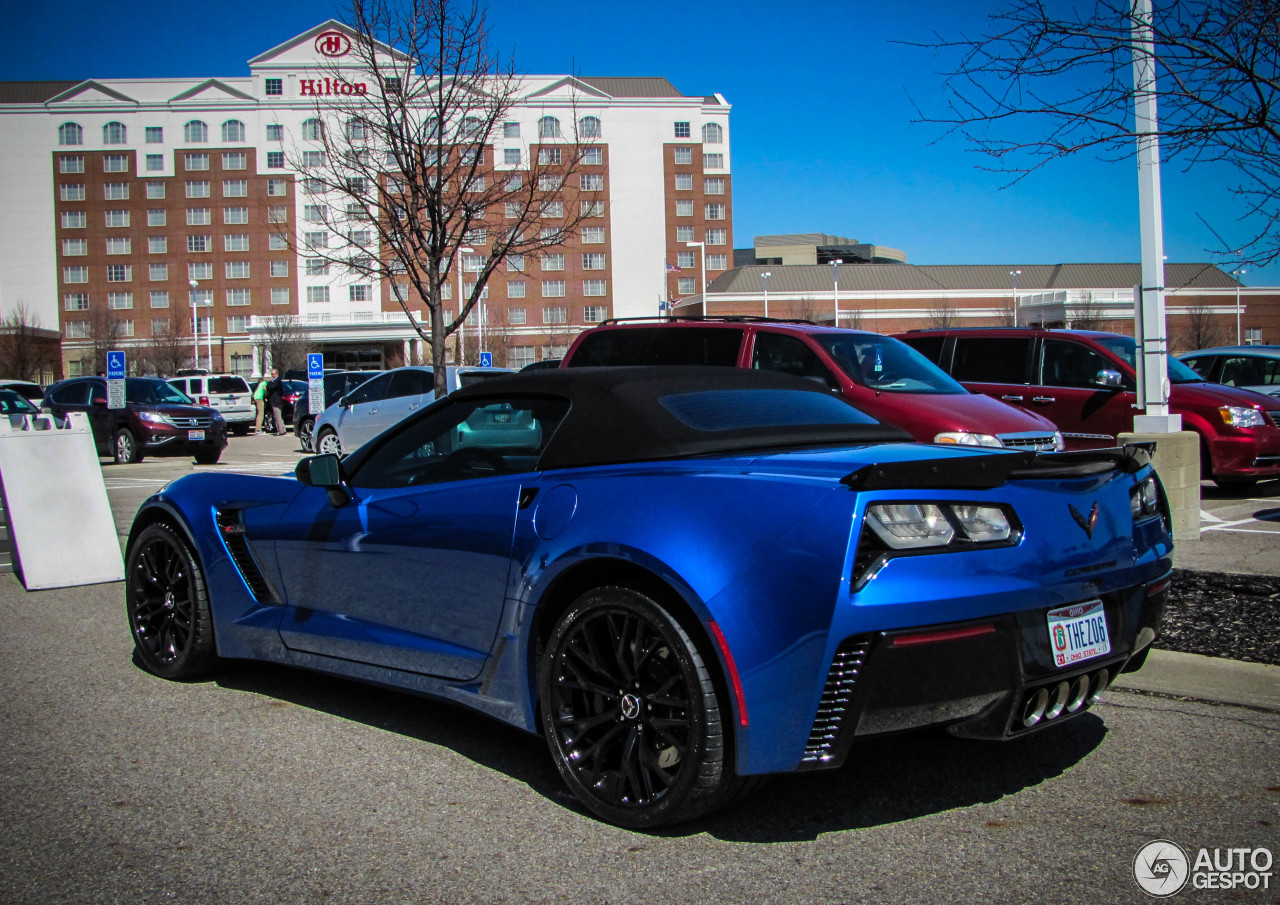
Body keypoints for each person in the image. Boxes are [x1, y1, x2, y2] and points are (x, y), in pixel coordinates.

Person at [266, 368, 286, 436]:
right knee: (279, 416)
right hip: (276, 400)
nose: (271, 375)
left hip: (276, 401)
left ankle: (280, 431)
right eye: (271, 374)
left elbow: (271, 387)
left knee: (277, 416)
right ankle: (283, 429)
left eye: (272, 374)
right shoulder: (276, 381)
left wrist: (270, 382)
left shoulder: (277, 381)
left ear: (276, 374)